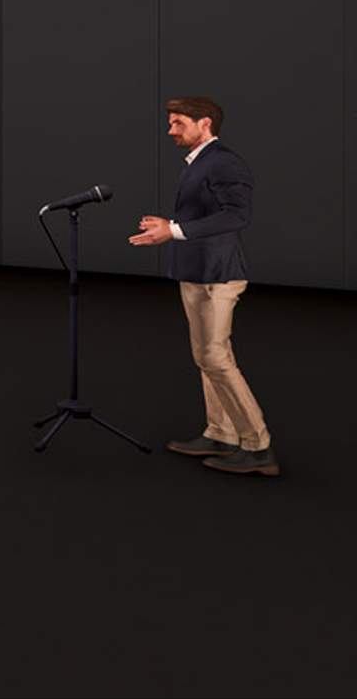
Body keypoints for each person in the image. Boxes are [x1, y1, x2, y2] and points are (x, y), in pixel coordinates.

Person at [130, 97, 276, 477]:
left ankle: (257, 445)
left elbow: (237, 214)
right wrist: (168, 226)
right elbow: (204, 213)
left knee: (215, 357)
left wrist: (173, 230)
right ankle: (221, 432)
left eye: (178, 123)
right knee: (205, 358)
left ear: (205, 123)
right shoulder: (201, 162)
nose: (171, 131)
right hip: (195, 271)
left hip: (219, 273)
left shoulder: (224, 161)